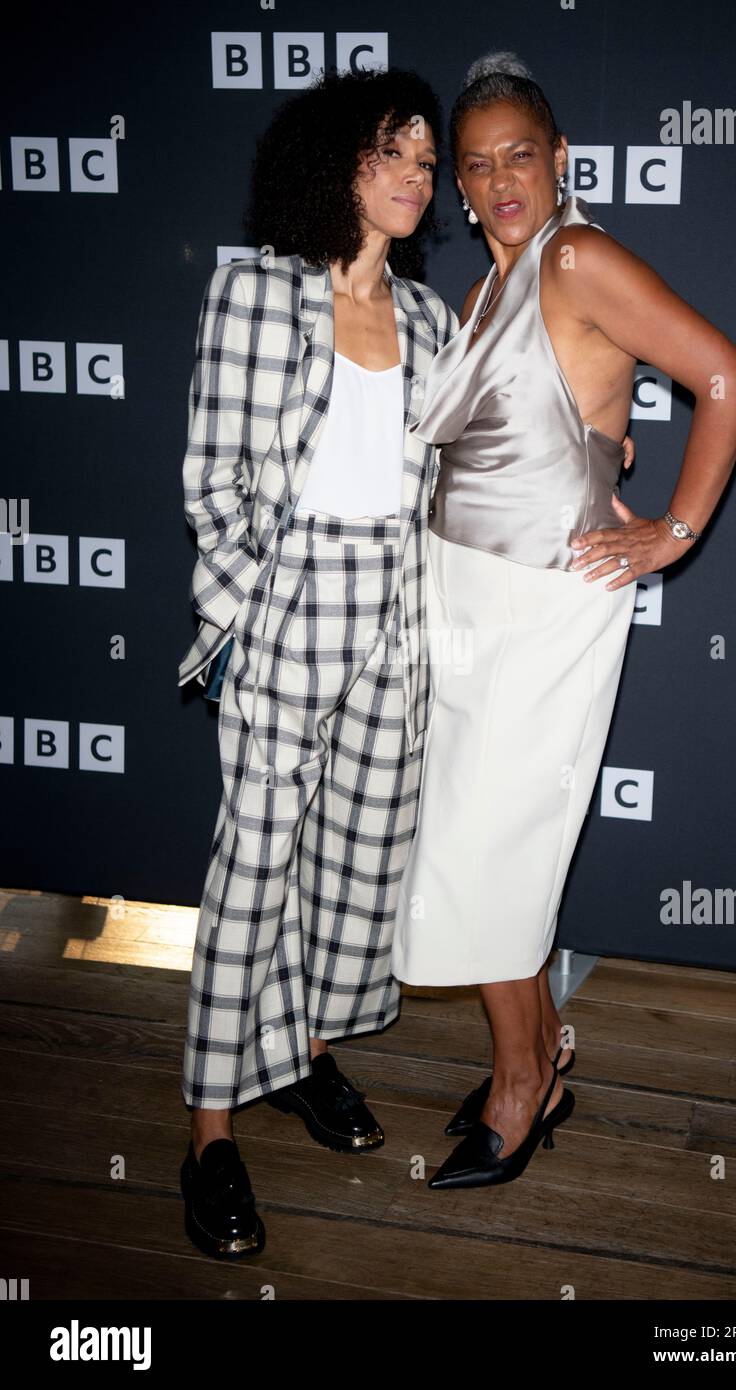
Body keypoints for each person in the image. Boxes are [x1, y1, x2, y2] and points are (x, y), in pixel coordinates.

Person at [391, 52, 736, 1190]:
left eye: (520, 156)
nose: (501, 179)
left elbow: (725, 377)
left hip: (544, 606)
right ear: (456, 186)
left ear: (559, 162)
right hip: (458, 595)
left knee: (487, 854)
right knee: (489, 846)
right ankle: (536, 1051)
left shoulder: (580, 258)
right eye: (477, 164)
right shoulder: (480, 290)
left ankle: (524, 1084)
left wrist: (674, 530)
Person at [176, 68, 456, 1258]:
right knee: (252, 871)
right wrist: (254, 615)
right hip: (288, 612)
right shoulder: (254, 295)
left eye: (426, 163)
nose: (413, 177)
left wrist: (605, 442)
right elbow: (212, 484)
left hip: (389, 623)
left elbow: (478, 466)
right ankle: (206, 1135)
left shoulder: (436, 322)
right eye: (391, 152)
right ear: (335, 160)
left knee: (346, 863)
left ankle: (304, 1057)